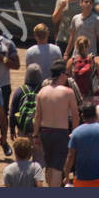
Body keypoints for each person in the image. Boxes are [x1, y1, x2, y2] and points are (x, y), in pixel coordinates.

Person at [33, 59, 79, 187]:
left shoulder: (42, 92)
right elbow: (75, 115)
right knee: (58, 167)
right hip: (61, 132)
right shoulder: (68, 92)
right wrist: (74, 133)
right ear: (62, 75)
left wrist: (35, 135)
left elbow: (37, 116)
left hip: (45, 131)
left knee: (49, 165)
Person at [65, 101, 99, 187]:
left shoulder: (76, 133)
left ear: (82, 116)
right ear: (96, 115)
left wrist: (66, 174)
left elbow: (71, 155)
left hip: (82, 178)